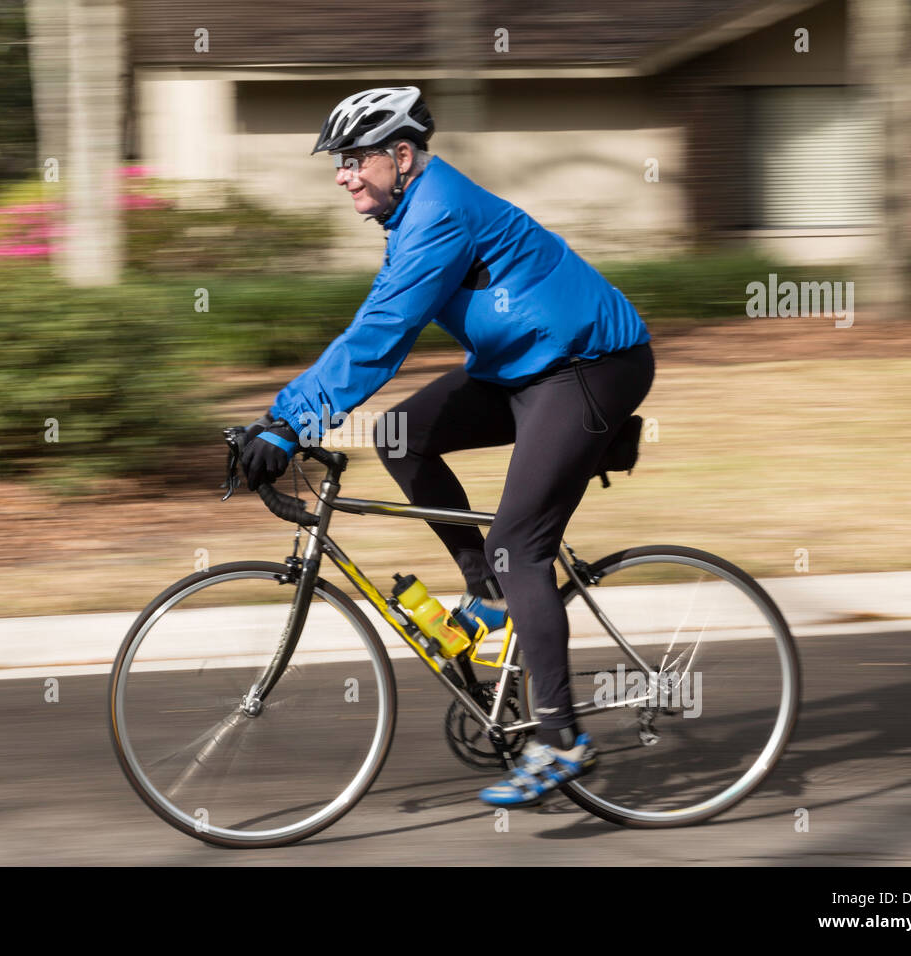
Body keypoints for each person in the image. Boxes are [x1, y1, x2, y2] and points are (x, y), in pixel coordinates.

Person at [238, 86, 654, 807]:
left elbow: (380, 336)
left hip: (589, 367)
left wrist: (288, 420)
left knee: (518, 542)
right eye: (337, 163)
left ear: (401, 156)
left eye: (353, 160)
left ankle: (560, 741)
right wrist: (287, 417)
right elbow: (379, 325)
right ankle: (489, 593)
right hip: (524, 365)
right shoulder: (410, 211)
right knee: (402, 437)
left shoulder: (438, 211)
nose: (342, 176)